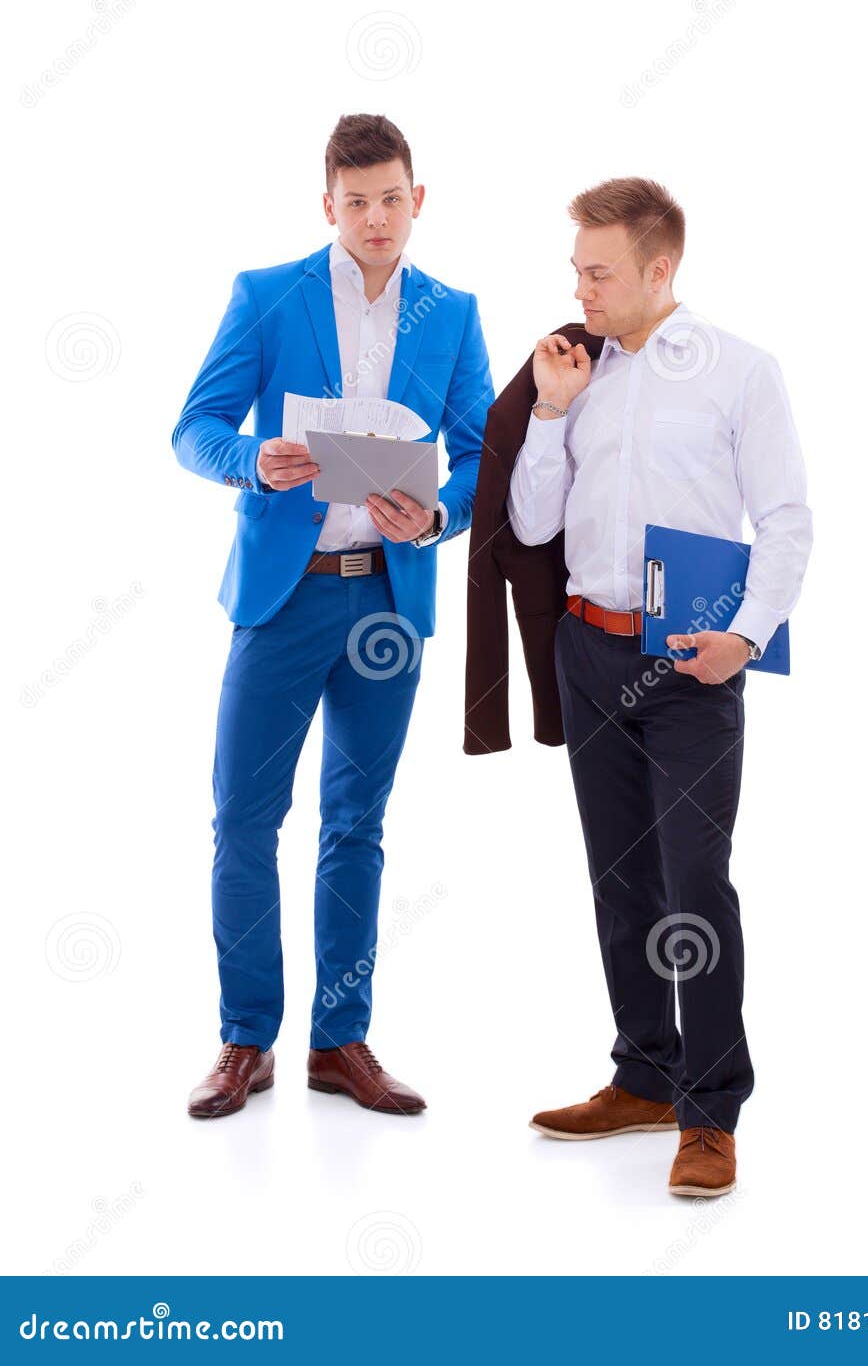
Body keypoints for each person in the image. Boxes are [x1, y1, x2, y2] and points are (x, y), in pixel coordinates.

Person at [173, 113, 493, 1120]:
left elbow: (487, 453)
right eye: (355, 202)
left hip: (386, 599)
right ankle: (243, 1039)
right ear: (328, 207)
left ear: (417, 199)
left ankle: (338, 1039)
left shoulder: (452, 312)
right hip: (284, 593)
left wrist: (440, 511)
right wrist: (249, 459)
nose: (375, 218)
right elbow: (195, 427)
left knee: (356, 822)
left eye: (391, 198)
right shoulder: (267, 297)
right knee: (244, 819)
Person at [503, 177, 812, 1197]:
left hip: (688, 663)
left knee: (693, 883)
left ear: (657, 269)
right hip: (588, 653)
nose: (579, 290)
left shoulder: (738, 372)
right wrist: (550, 413)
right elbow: (535, 525)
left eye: (598, 273)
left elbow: (783, 519)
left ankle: (710, 1107)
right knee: (620, 876)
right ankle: (642, 1074)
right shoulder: (573, 371)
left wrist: (743, 633)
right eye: (575, 272)